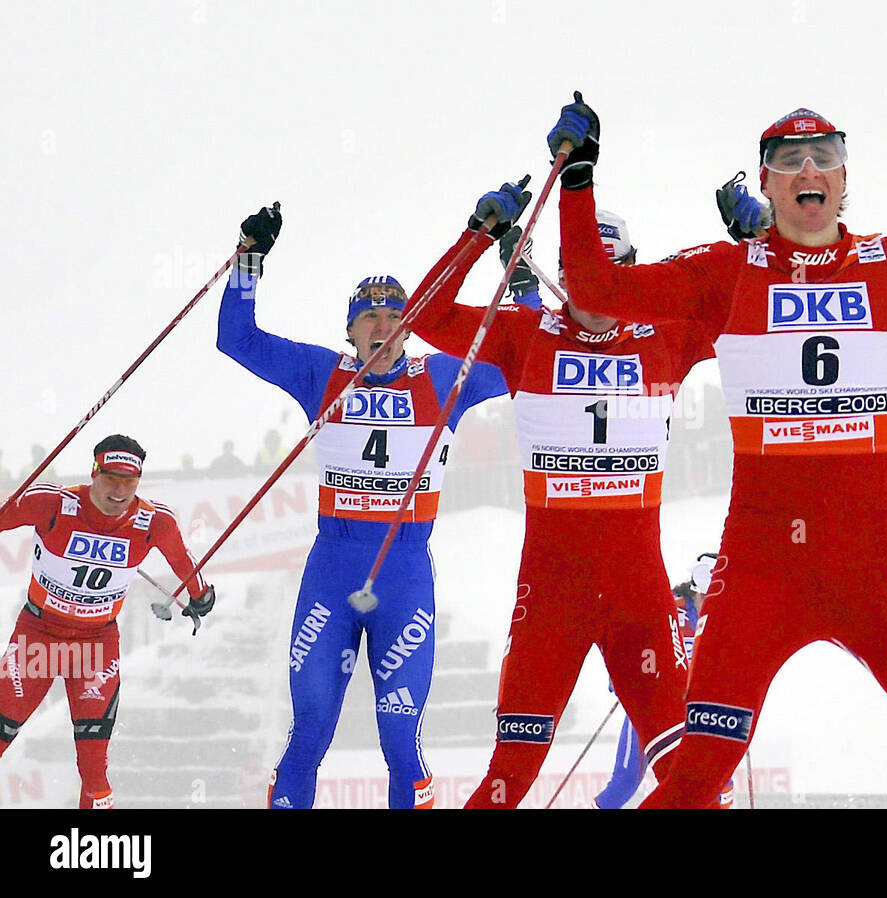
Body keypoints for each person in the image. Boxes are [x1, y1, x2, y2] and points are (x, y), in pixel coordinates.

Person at [549, 93, 887, 808]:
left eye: (825, 156)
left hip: (879, 565)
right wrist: (578, 176)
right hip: (759, 569)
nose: (809, 167)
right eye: (788, 159)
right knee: (692, 781)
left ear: (844, 179)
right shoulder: (725, 272)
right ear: (767, 182)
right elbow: (596, 286)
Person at [407, 191, 716, 808]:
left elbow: (760, 308)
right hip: (550, 596)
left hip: (640, 599)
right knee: (507, 778)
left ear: (631, 272)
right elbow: (426, 314)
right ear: (562, 277)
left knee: (695, 779)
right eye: (579, 279)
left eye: (610, 277)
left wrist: (753, 236)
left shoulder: (669, 334)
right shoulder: (526, 334)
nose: (595, 296)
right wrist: (475, 234)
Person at [216, 204, 508, 809]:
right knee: (310, 728)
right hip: (333, 566)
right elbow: (234, 339)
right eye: (368, 316)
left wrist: (518, 271)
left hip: (403, 572)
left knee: (401, 740)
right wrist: (248, 259)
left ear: (410, 327)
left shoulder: (442, 377)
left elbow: (525, 355)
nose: (382, 325)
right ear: (349, 330)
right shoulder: (322, 372)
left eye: (395, 315)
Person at [0, 435, 214, 808]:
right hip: (39, 637)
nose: (119, 491)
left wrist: (201, 596)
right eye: (111, 478)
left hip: (95, 646)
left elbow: (186, 568)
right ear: (94, 472)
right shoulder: (53, 503)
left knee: (95, 770)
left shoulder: (153, 522)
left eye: (129, 482)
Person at [594, 554, 735, 809]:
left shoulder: (728, 618)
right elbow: (629, 639)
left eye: (717, 599)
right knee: (625, 782)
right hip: (653, 708)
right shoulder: (671, 608)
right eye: (705, 597)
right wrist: (621, 678)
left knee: (719, 782)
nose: (710, 604)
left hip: (700, 715)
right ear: (695, 592)